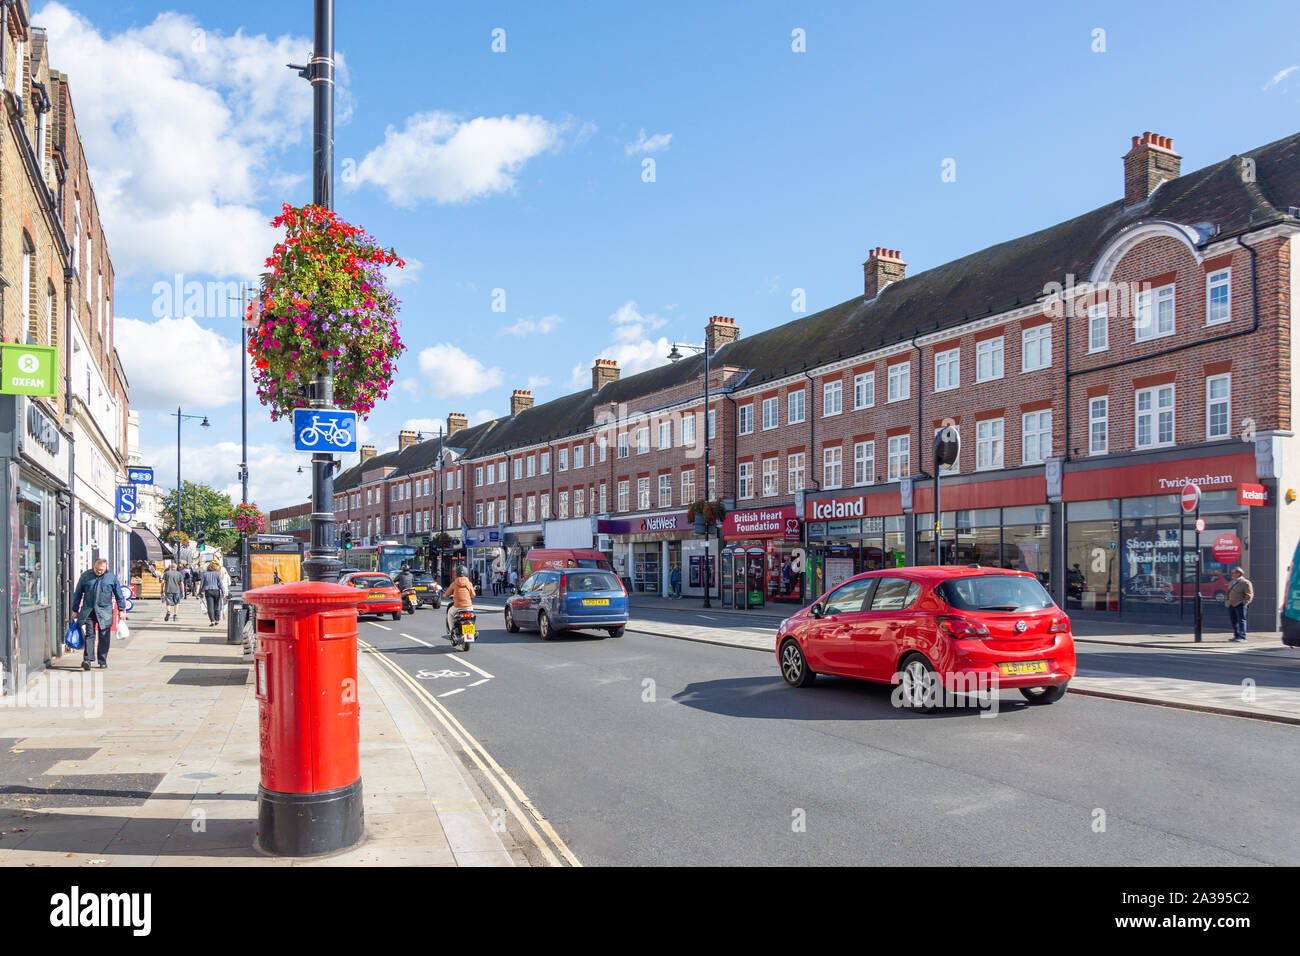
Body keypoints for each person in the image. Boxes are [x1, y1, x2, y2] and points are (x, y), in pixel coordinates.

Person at [72, 558, 122, 670]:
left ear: (105, 568)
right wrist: (75, 609)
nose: (99, 571)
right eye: (97, 569)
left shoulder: (111, 578)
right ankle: (87, 660)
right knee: (90, 634)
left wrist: (122, 610)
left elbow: (119, 594)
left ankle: (102, 660)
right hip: (89, 611)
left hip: (104, 612)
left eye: (101, 570)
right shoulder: (86, 576)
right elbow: (78, 593)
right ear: (93, 566)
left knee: (104, 636)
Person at [446, 565, 478, 635]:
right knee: (473, 615)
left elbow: (446, 595)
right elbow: (473, 595)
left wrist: (444, 595)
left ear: (456, 574)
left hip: (457, 607)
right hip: (468, 607)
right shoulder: (469, 584)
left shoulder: (454, 584)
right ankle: (473, 628)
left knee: (450, 613)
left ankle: (451, 630)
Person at [1226, 567, 1254, 643]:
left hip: (1240, 604)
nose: (1231, 574)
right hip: (1231, 604)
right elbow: (1228, 592)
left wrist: (1244, 603)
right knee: (1234, 621)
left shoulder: (1245, 582)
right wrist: (1227, 601)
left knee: (1241, 620)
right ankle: (1236, 635)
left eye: (1233, 573)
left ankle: (1243, 637)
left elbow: (1249, 594)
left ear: (1238, 574)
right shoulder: (1232, 582)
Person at [200, 561, 224, 626]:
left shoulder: (205, 574)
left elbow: (202, 584)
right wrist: (223, 592)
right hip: (216, 591)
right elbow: (220, 584)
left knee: (210, 607)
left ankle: (212, 621)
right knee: (217, 606)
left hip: (208, 591)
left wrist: (200, 592)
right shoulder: (217, 574)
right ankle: (217, 619)